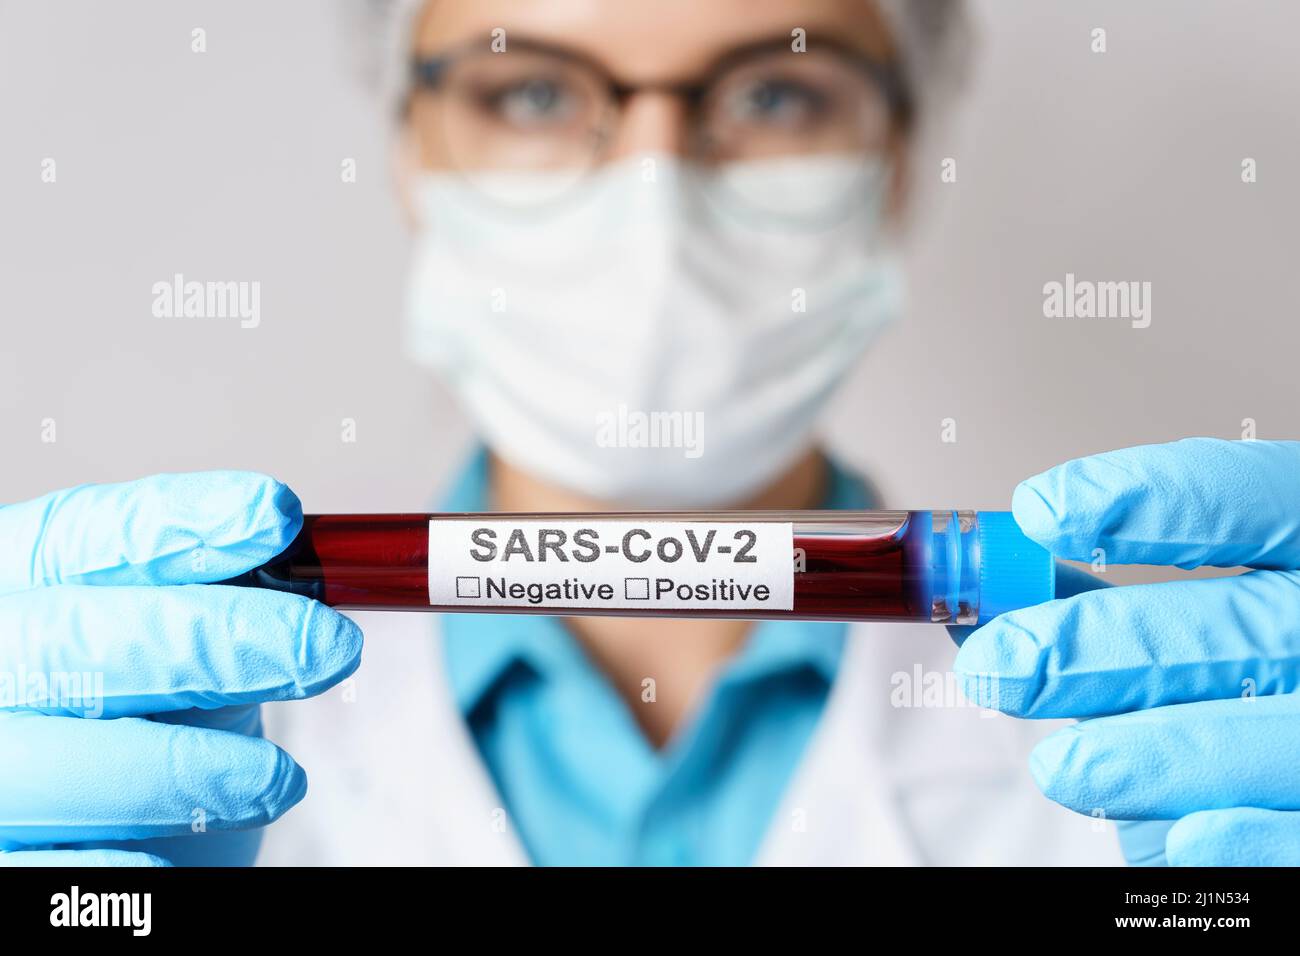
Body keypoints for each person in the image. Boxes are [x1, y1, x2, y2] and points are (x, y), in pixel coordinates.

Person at [2, 0, 1297, 867]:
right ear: (407, 150)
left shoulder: (1162, 778)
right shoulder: (159, 752)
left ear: (900, 160)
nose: (655, 184)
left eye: (780, 96)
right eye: (530, 90)